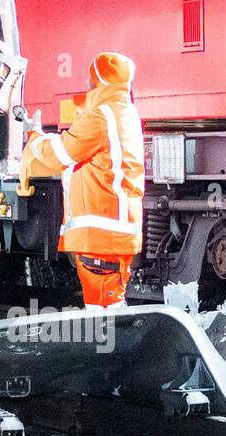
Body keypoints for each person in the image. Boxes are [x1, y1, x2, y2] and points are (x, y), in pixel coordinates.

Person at [21, 52, 144, 308]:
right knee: (109, 309)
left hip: (102, 236)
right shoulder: (124, 113)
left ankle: (114, 348)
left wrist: (34, 135)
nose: (86, 85)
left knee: (103, 316)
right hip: (115, 232)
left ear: (99, 82)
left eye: (90, 80)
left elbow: (58, 155)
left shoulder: (101, 117)